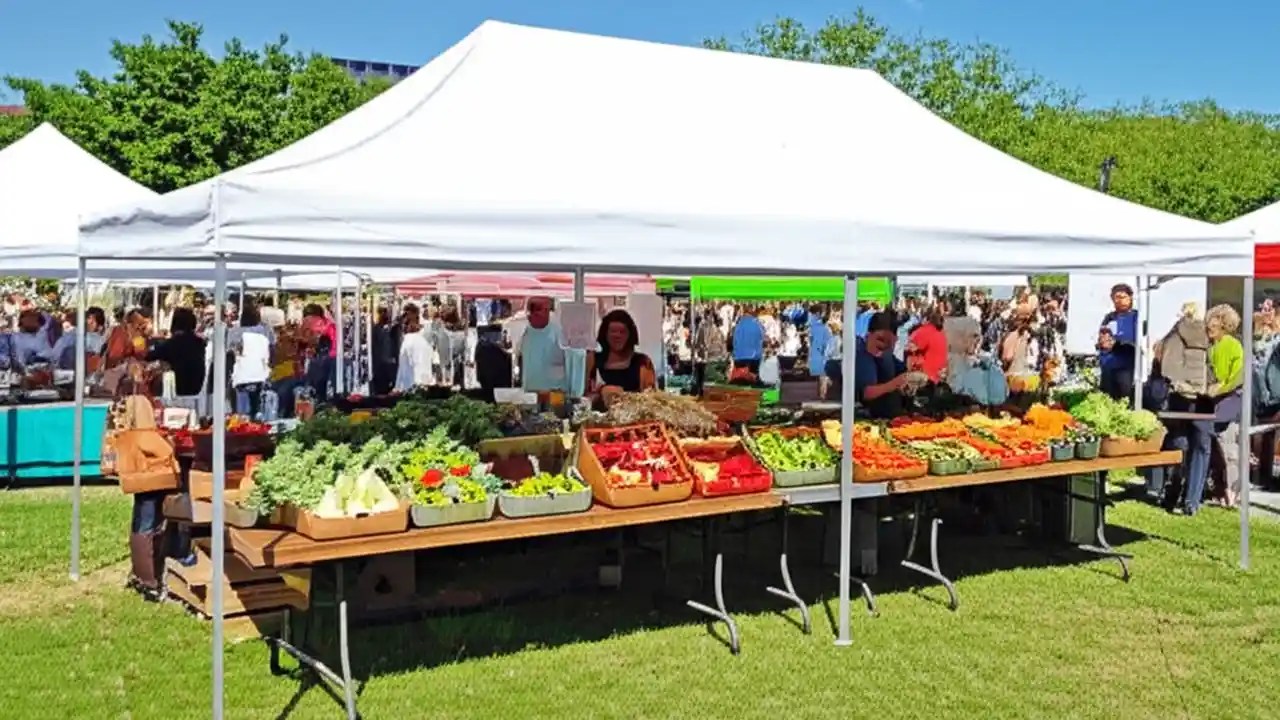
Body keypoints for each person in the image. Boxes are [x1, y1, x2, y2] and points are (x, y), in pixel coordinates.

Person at [587, 309, 656, 405]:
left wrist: (623, 397)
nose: (617, 336)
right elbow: (583, 395)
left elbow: (651, 400)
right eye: (613, 331)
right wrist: (600, 393)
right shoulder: (593, 360)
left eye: (622, 332)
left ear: (630, 335)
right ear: (605, 334)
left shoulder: (643, 362)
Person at [854, 311, 910, 419]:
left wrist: (912, 376)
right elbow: (866, 393)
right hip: (870, 420)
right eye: (880, 339)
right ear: (869, 335)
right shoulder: (861, 356)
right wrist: (895, 384)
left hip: (892, 419)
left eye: (889, 342)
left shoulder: (887, 356)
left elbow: (902, 371)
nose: (884, 345)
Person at [147, 308, 207, 397]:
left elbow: (149, 356)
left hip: (179, 387)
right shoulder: (199, 342)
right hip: (197, 385)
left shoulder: (173, 343)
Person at [228, 304, 273, 417]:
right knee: (259, 410)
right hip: (261, 375)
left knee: (239, 414)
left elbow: (228, 353)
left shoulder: (234, 332)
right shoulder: (265, 331)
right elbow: (272, 350)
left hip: (239, 376)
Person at [516, 296, 567, 393]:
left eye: (538, 308)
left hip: (556, 394)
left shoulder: (561, 329)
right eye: (531, 308)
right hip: (530, 392)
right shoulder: (521, 328)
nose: (533, 313)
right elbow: (520, 357)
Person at [1099, 283, 1138, 403]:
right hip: (1108, 364)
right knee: (1107, 398)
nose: (1118, 301)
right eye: (1115, 298)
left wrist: (1120, 342)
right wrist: (1103, 342)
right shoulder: (1109, 317)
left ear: (1130, 298)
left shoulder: (1137, 316)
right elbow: (1102, 335)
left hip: (1126, 364)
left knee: (1124, 399)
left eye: (1122, 297)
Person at [395, 304, 435, 391]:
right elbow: (402, 362)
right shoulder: (405, 335)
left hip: (421, 377)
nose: (406, 318)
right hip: (411, 380)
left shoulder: (425, 331)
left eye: (408, 314)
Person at [907, 308, 948, 383]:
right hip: (939, 376)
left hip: (926, 377)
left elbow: (909, 349)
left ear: (926, 319)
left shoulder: (924, 331)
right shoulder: (941, 334)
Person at [370, 307, 400, 395]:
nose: (384, 315)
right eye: (382, 312)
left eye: (385, 312)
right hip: (380, 363)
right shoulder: (376, 328)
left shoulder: (392, 328)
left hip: (389, 361)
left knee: (389, 386)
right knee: (381, 386)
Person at [730, 305, 765, 375]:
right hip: (754, 357)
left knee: (741, 379)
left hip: (739, 357)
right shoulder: (758, 324)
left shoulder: (738, 325)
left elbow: (734, 342)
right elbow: (763, 338)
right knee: (753, 376)